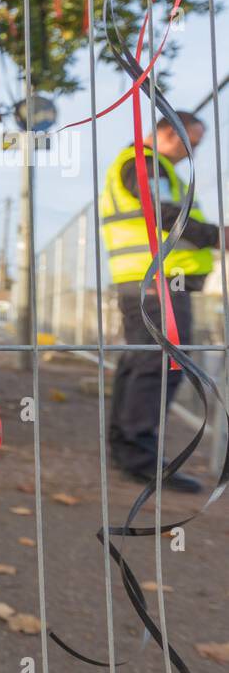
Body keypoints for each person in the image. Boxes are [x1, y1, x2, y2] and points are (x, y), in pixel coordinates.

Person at [99, 111, 223, 494]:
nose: (192, 153)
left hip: (149, 279)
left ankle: (128, 451)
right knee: (161, 364)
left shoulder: (146, 165)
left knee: (141, 362)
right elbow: (165, 213)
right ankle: (140, 459)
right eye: (191, 142)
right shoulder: (145, 164)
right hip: (159, 280)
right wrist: (218, 236)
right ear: (169, 132)